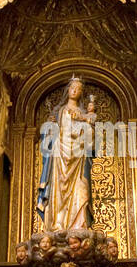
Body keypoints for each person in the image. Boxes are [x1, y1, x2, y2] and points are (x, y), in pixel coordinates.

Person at [35, 76, 96, 232]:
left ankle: (79, 224)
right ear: (68, 90)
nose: (74, 91)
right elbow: (50, 132)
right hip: (60, 155)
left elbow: (90, 140)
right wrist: (50, 128)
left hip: (78, 157)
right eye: (72, 88)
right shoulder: (60, 111)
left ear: (81, 93)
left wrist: (88, 128)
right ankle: (57, 223)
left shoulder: (85, 115)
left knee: (81, 187)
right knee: (58, 189)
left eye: (78, 89)